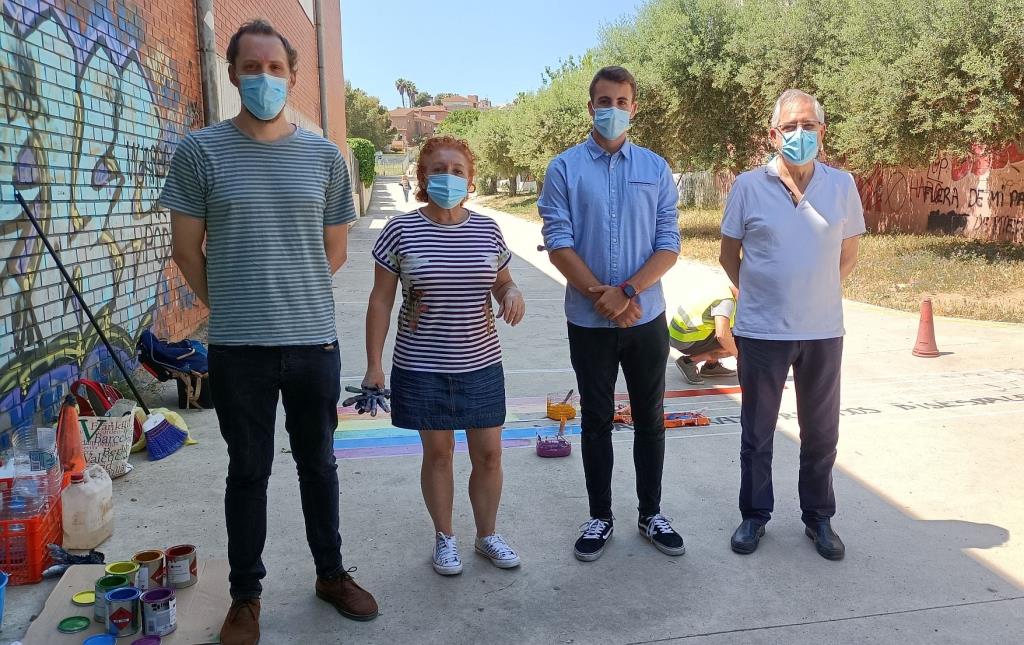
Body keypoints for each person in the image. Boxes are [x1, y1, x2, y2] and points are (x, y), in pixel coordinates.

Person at [162, 20, 378, 645]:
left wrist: (289, 293)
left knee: (319, 465)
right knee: (248, 472)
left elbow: (334, 250)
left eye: (275, 68)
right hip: (238, 350)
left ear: (292, 75)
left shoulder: (323, 157)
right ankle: (245, 597)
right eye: (251, 67)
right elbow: (186, 250)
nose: (264, 78)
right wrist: (234, 304)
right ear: (233, 73)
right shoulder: (200, 152)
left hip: (314, 343)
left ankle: (331, 575)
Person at [538, 66, 684, 562]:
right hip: (589, 322)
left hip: (646, 318)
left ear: (634, 108)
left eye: (622, 101)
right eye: (605, 101)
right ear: (590, 107)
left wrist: (626, 291)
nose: (613, 109)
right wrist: (599, 296)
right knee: (596, 420)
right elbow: (558, 241)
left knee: (650, 419)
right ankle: (600, 516)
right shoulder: (564, 168)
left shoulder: (655, 168)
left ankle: (651, 513)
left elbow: (669, 243)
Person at [364, 135, 526, 576]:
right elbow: (380, 300)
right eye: (438, 170)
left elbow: (502, 280)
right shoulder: (400, 231)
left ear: (470, 180)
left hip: (481, 364)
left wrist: (512, 292)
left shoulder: (487, 230)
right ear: (422, 177)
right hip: (421, 367)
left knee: (489, 455)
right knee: (438, 456)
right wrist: (374, 364)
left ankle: (486, 535)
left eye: (457, 171)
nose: (448, 177)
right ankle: (445, 537)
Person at [719, 89, 865, 561]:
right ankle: (754, 515)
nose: (799, 134)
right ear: (773, 135)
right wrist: (759, 294)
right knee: (757, 432)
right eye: (789, 127)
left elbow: (848, 254)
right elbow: (728, 254)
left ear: (822, 131)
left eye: (808, 125)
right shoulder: (748, 186)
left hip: (823, 331)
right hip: (762, 332)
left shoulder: (841, 185)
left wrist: (814, 291)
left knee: (821, 433)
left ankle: (818, 517)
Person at [670, 286, 739, 385]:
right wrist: (740, 356)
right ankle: (688, 362)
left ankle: (711, 366)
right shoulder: (726, 302)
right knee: (738, 342)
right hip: (685, 340)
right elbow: (722, 335)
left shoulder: (722, 289)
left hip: (678, 336)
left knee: (727, 329)